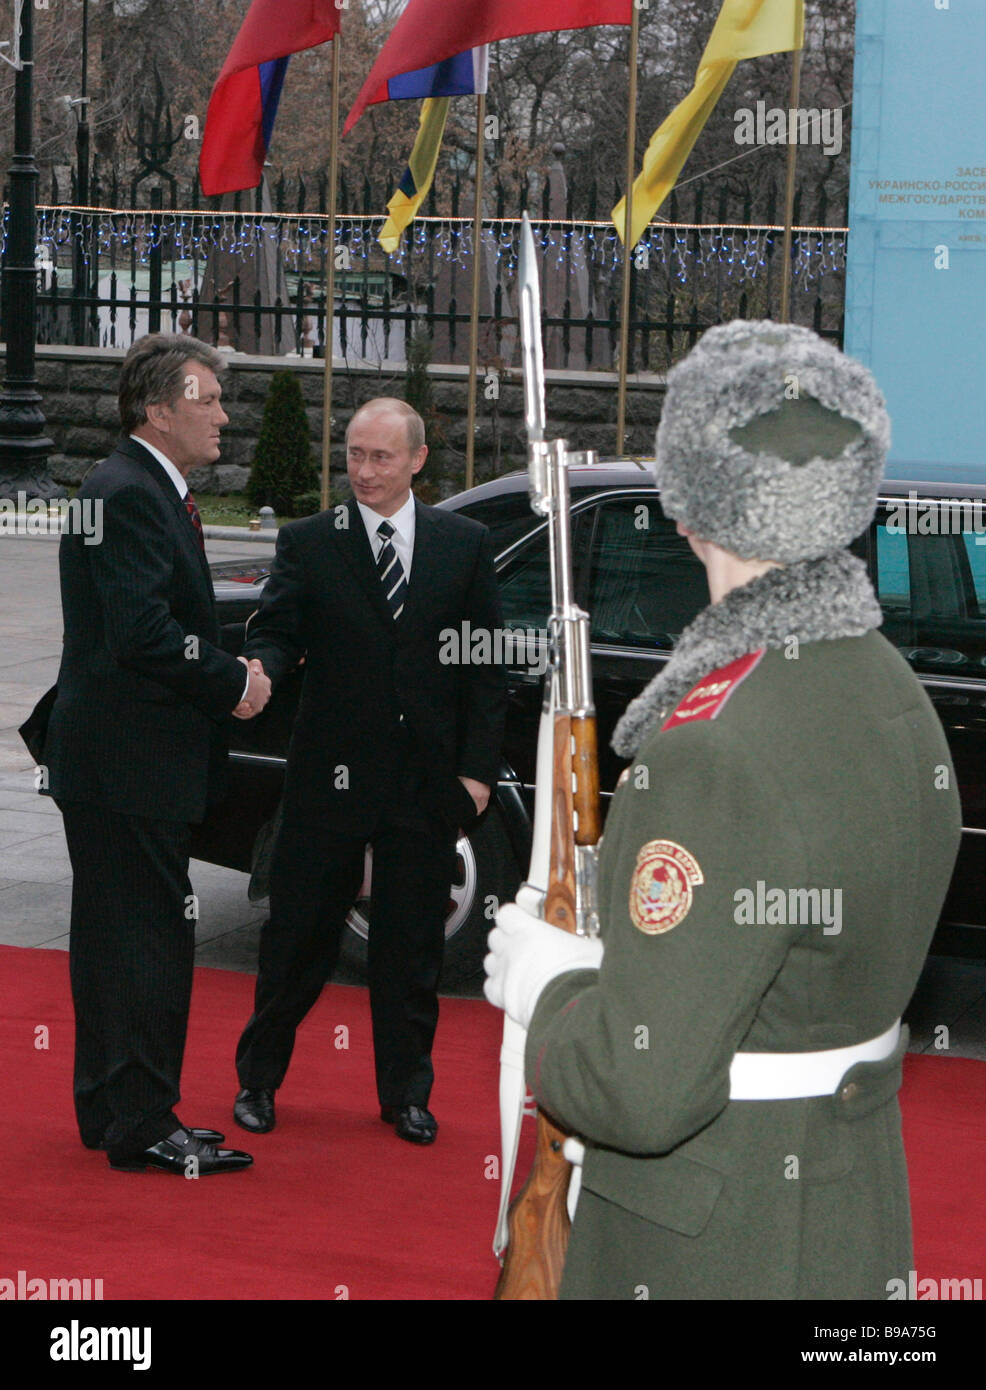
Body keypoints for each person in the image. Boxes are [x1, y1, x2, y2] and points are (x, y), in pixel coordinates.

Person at [484, 321, 962, 1299]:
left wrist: (553, 987)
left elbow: (639, 1086)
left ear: (691, 506)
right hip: (846, 1219)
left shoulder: (711, 750)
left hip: (710, 1242)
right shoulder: (889, 692)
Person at [233, 398, 506, 1145]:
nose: (363, 470)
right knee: (298, 936)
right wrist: (260, 669)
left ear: (418, 460)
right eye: (353, 454)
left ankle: (406, 1095)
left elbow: (487, 669)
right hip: (330, 779)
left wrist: (477, 775)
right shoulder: (312, 542)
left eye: (380, 457)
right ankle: (257, 1081)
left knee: (412, 949)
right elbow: (280, 628)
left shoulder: (464, 544)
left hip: (425, 786)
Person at [35, 333, 268, 1176]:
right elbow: (143, 634)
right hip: (128, 763)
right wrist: (231, 680)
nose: (223, 415)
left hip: (122, 761)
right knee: (144, 941)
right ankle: (140, 1122)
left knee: (117, 936)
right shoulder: (128, 492)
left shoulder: (138, 487)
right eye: (207, 399)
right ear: (158, 409)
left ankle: (116, 1108)